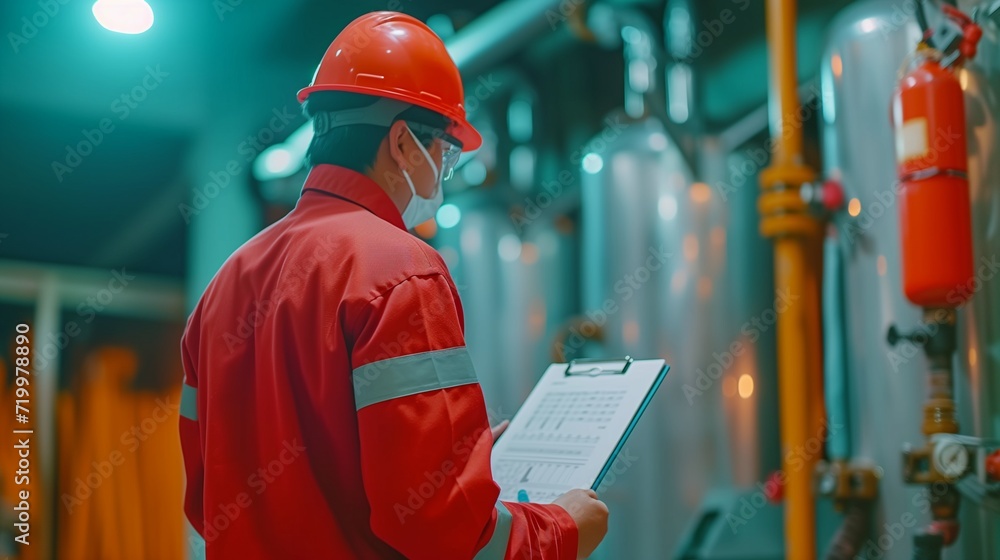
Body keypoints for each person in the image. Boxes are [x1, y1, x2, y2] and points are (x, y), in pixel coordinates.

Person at [178, 11, 608, 560]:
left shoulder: (225, 284)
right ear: (403, 144)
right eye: (444, 154)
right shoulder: (402, 270)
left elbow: (207, 500)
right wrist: (562, 530)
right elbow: (438, 528)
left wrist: (449, 465)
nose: (442, 174)